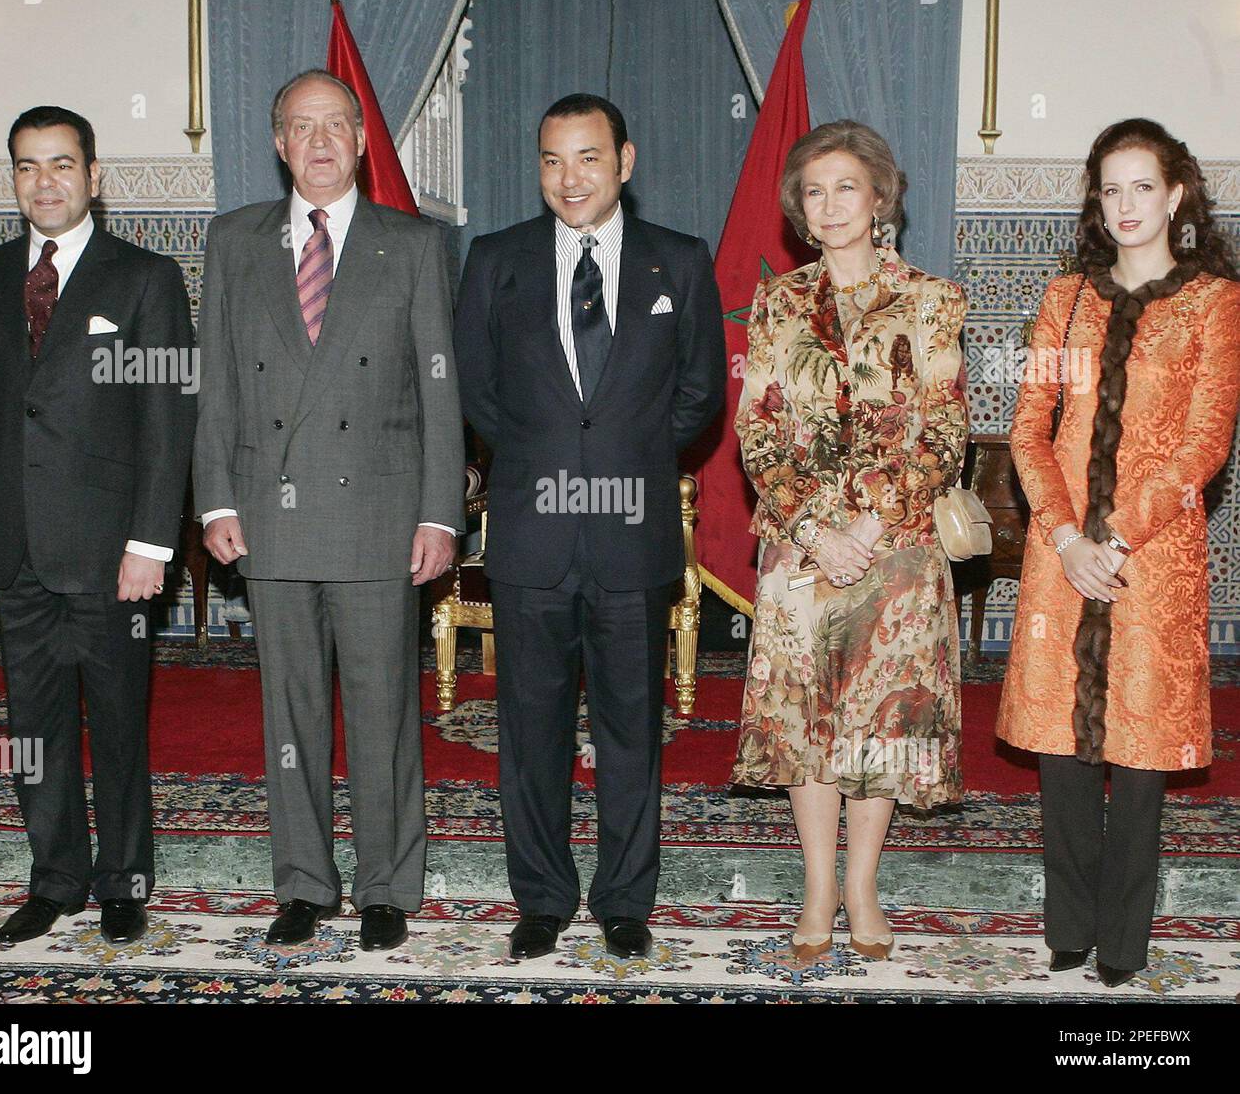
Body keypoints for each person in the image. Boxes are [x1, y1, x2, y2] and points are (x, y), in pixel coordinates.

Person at [193, 69, 464, 951]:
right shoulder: (233, 242)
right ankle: (304, 883)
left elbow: (440, 394)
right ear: (278, 144)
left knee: (384, 710)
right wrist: (215, 501)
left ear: (358, 140)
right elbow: (218, 390)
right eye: (299, 127)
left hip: (380, 518)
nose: (317, 142)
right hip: (268, 515)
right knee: (291, 716)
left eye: (334, 126)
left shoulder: (413, 245)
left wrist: (438, 514)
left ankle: (387, 885)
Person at [454, 94, 725, 960]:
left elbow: (699, 396)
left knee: (631, 729)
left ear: (626, 161)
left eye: (588, 159)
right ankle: (539, 896)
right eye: (551, 160)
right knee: (528, 729)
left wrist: (622, 457)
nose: (569, 178)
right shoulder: (494, 260)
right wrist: (547, 459)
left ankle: (623, 900)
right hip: (532, 534)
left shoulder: (678, 263)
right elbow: (477, 392)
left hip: (631, 532)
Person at [996, 118, 1240, 987]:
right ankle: (1068, 924)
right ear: (1096, 201)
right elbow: (1029, 431)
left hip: (1153, 556)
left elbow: (1205, 445)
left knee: (1138, 753)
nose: (1126, 204)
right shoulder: (1064, 300)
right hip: (1060, 553)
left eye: (1143, 186)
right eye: (1110, 188)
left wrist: (1118, 535)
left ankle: (1124, 942)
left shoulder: (1216, 301)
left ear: (1176, 195)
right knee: (1062, 742)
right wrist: (1064, 537)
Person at [0, 106, 197, 946]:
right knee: (33, 727)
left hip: (109, 552)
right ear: (12, 177)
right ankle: (55, 876)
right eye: (27, 166)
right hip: (11, 545)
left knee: (119, 718)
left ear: (95, 176)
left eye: (61, 164)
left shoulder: (143, 278)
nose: (44, 181)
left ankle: (125, 877)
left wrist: (151, 544)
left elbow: (169, 420)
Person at [731, 120, 967, 963]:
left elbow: (943, 432)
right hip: (801, 551)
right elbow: (756, 433)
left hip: (895, 551)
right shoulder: (777, 301)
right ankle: (818, 889)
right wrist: (815, 531)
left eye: (845, 188)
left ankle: (862, 884)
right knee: (807, 723)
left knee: (877, 724)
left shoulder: (932, 300)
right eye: (813, 191)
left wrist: (868, 528)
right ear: (800, 206)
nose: (828, 205)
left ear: (880, 198)